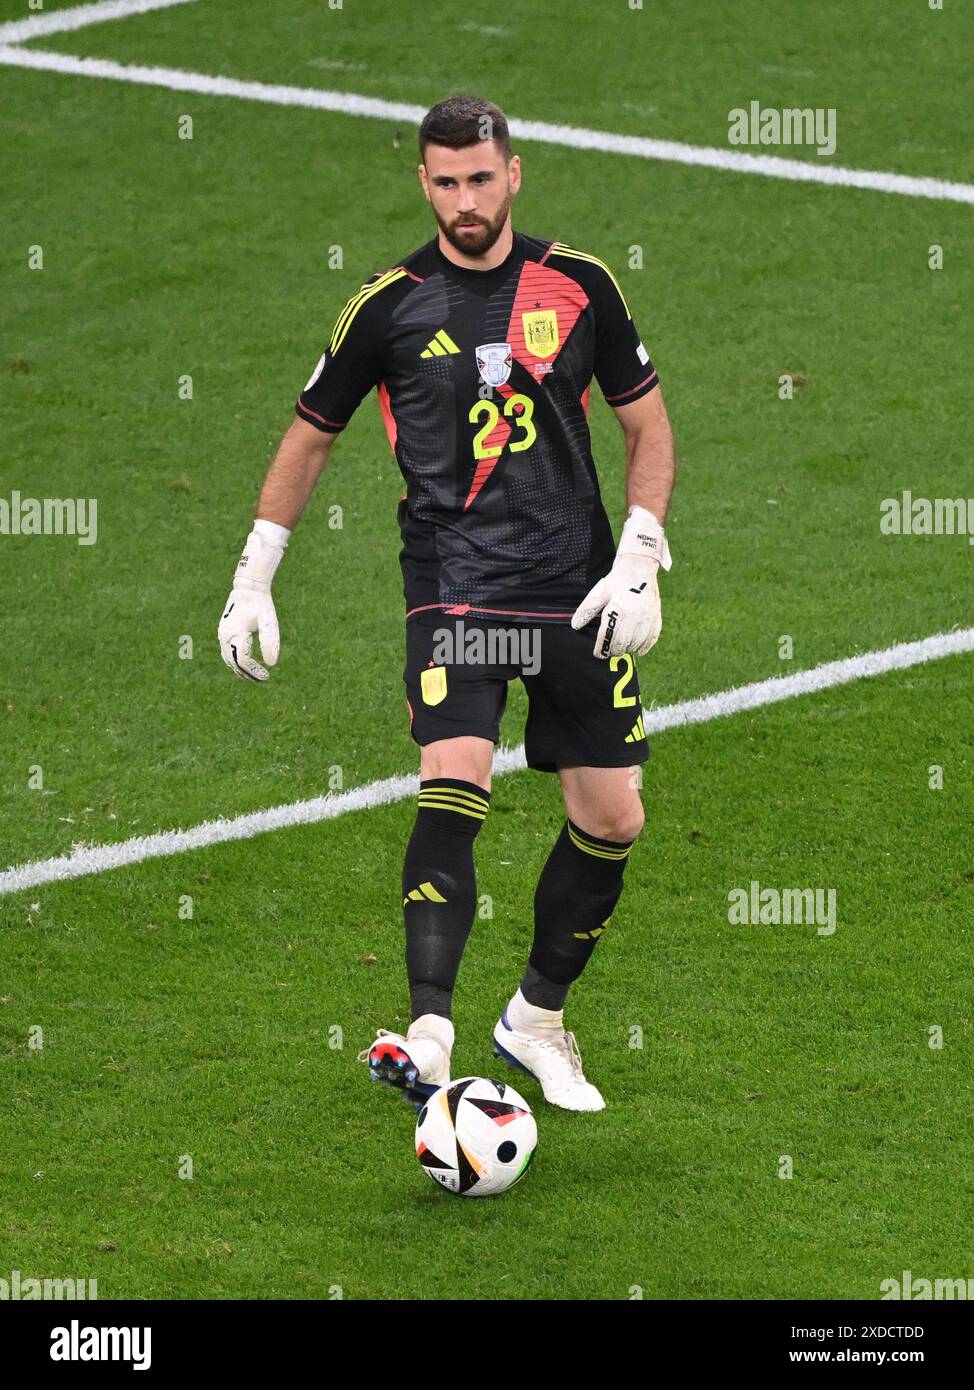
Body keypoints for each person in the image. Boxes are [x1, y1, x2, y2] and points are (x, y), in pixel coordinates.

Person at [219, 94, 675, 1113]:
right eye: (443, 181)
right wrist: (256, 573)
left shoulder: (581, 285)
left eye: (479, 178)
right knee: (453, 777)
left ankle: (535, 1020)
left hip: (575, 584)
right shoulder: (387, 305)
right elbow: (309, 436)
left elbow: (647, 427)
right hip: (453, 583)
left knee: (613, 814)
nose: (463, 201)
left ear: (514, 173)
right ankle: (429, 1030)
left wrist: (640, 553)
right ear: (422, 182)